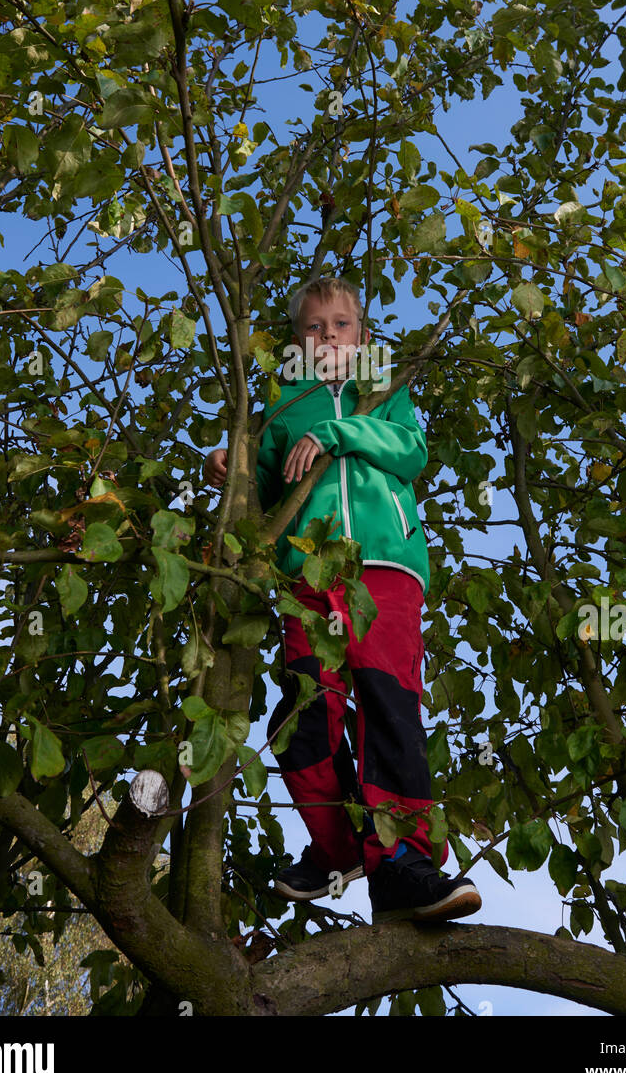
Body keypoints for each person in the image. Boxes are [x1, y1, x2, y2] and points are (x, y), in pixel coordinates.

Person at [204, 276, 481, 924]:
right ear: (296, 341)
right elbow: (263, 487)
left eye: (341, 324)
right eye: (313, 326)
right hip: (308, 575)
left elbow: (410, 452)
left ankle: (404, 864)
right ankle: (337, 851)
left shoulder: (381, 391)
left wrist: (339, 433)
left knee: (388, 712)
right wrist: (225, 465)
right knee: (300, 718)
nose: (327, 335)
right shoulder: (281, 404)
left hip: (383, 568)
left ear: (362, 337)